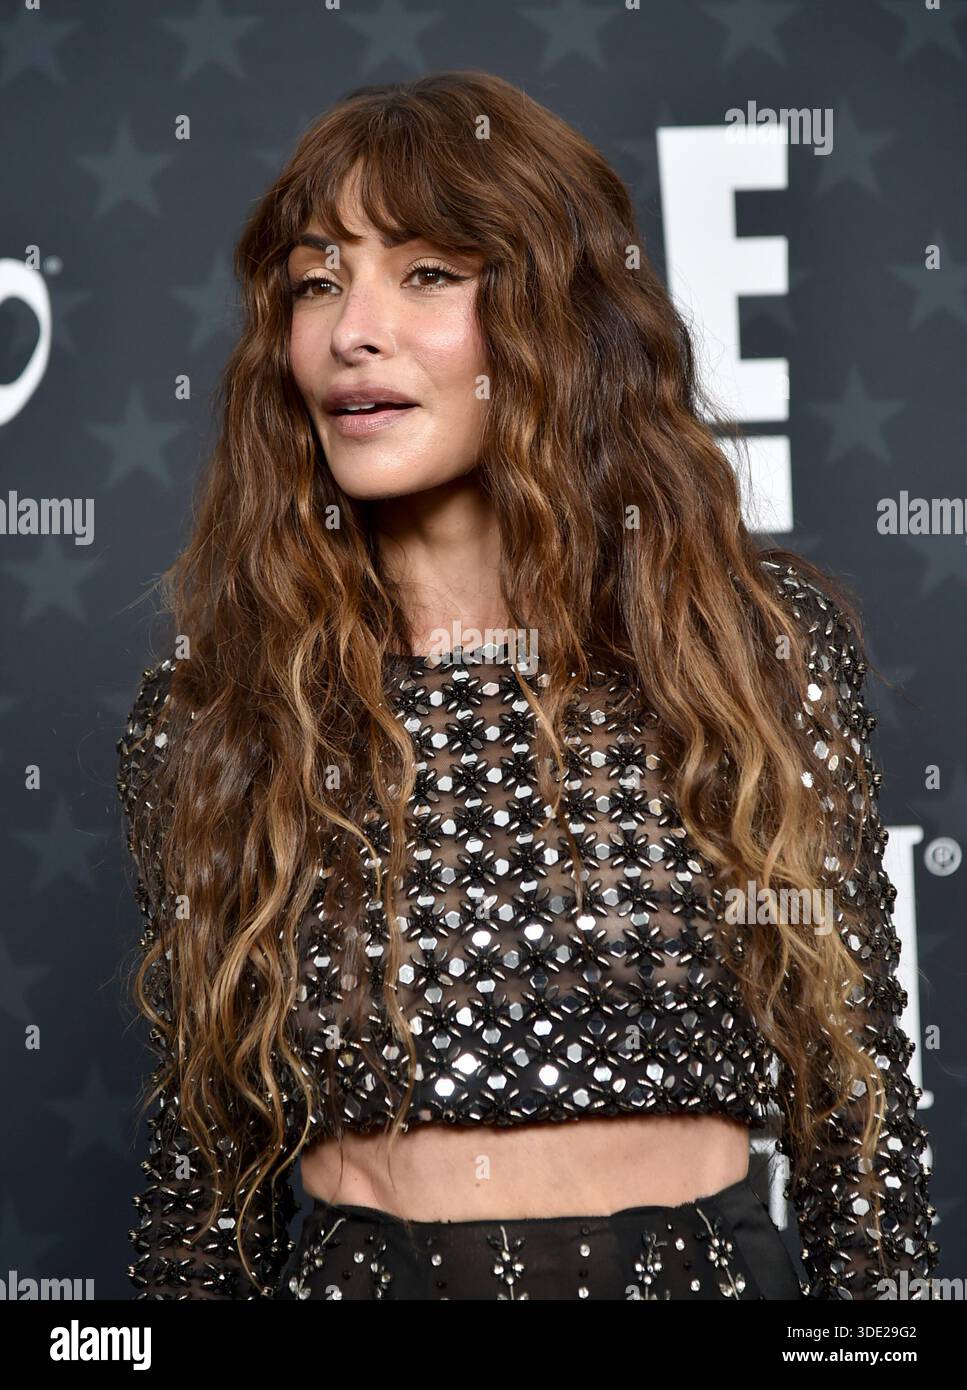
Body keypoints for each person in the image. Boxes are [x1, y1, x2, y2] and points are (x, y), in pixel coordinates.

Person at [118, 71, 939, 1301]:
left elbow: (861, 1127)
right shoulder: (216, 710)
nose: (354, 330)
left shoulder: (747, 649)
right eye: (317, 280)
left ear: (561, 317)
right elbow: (200, 1201)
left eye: (429, 275)